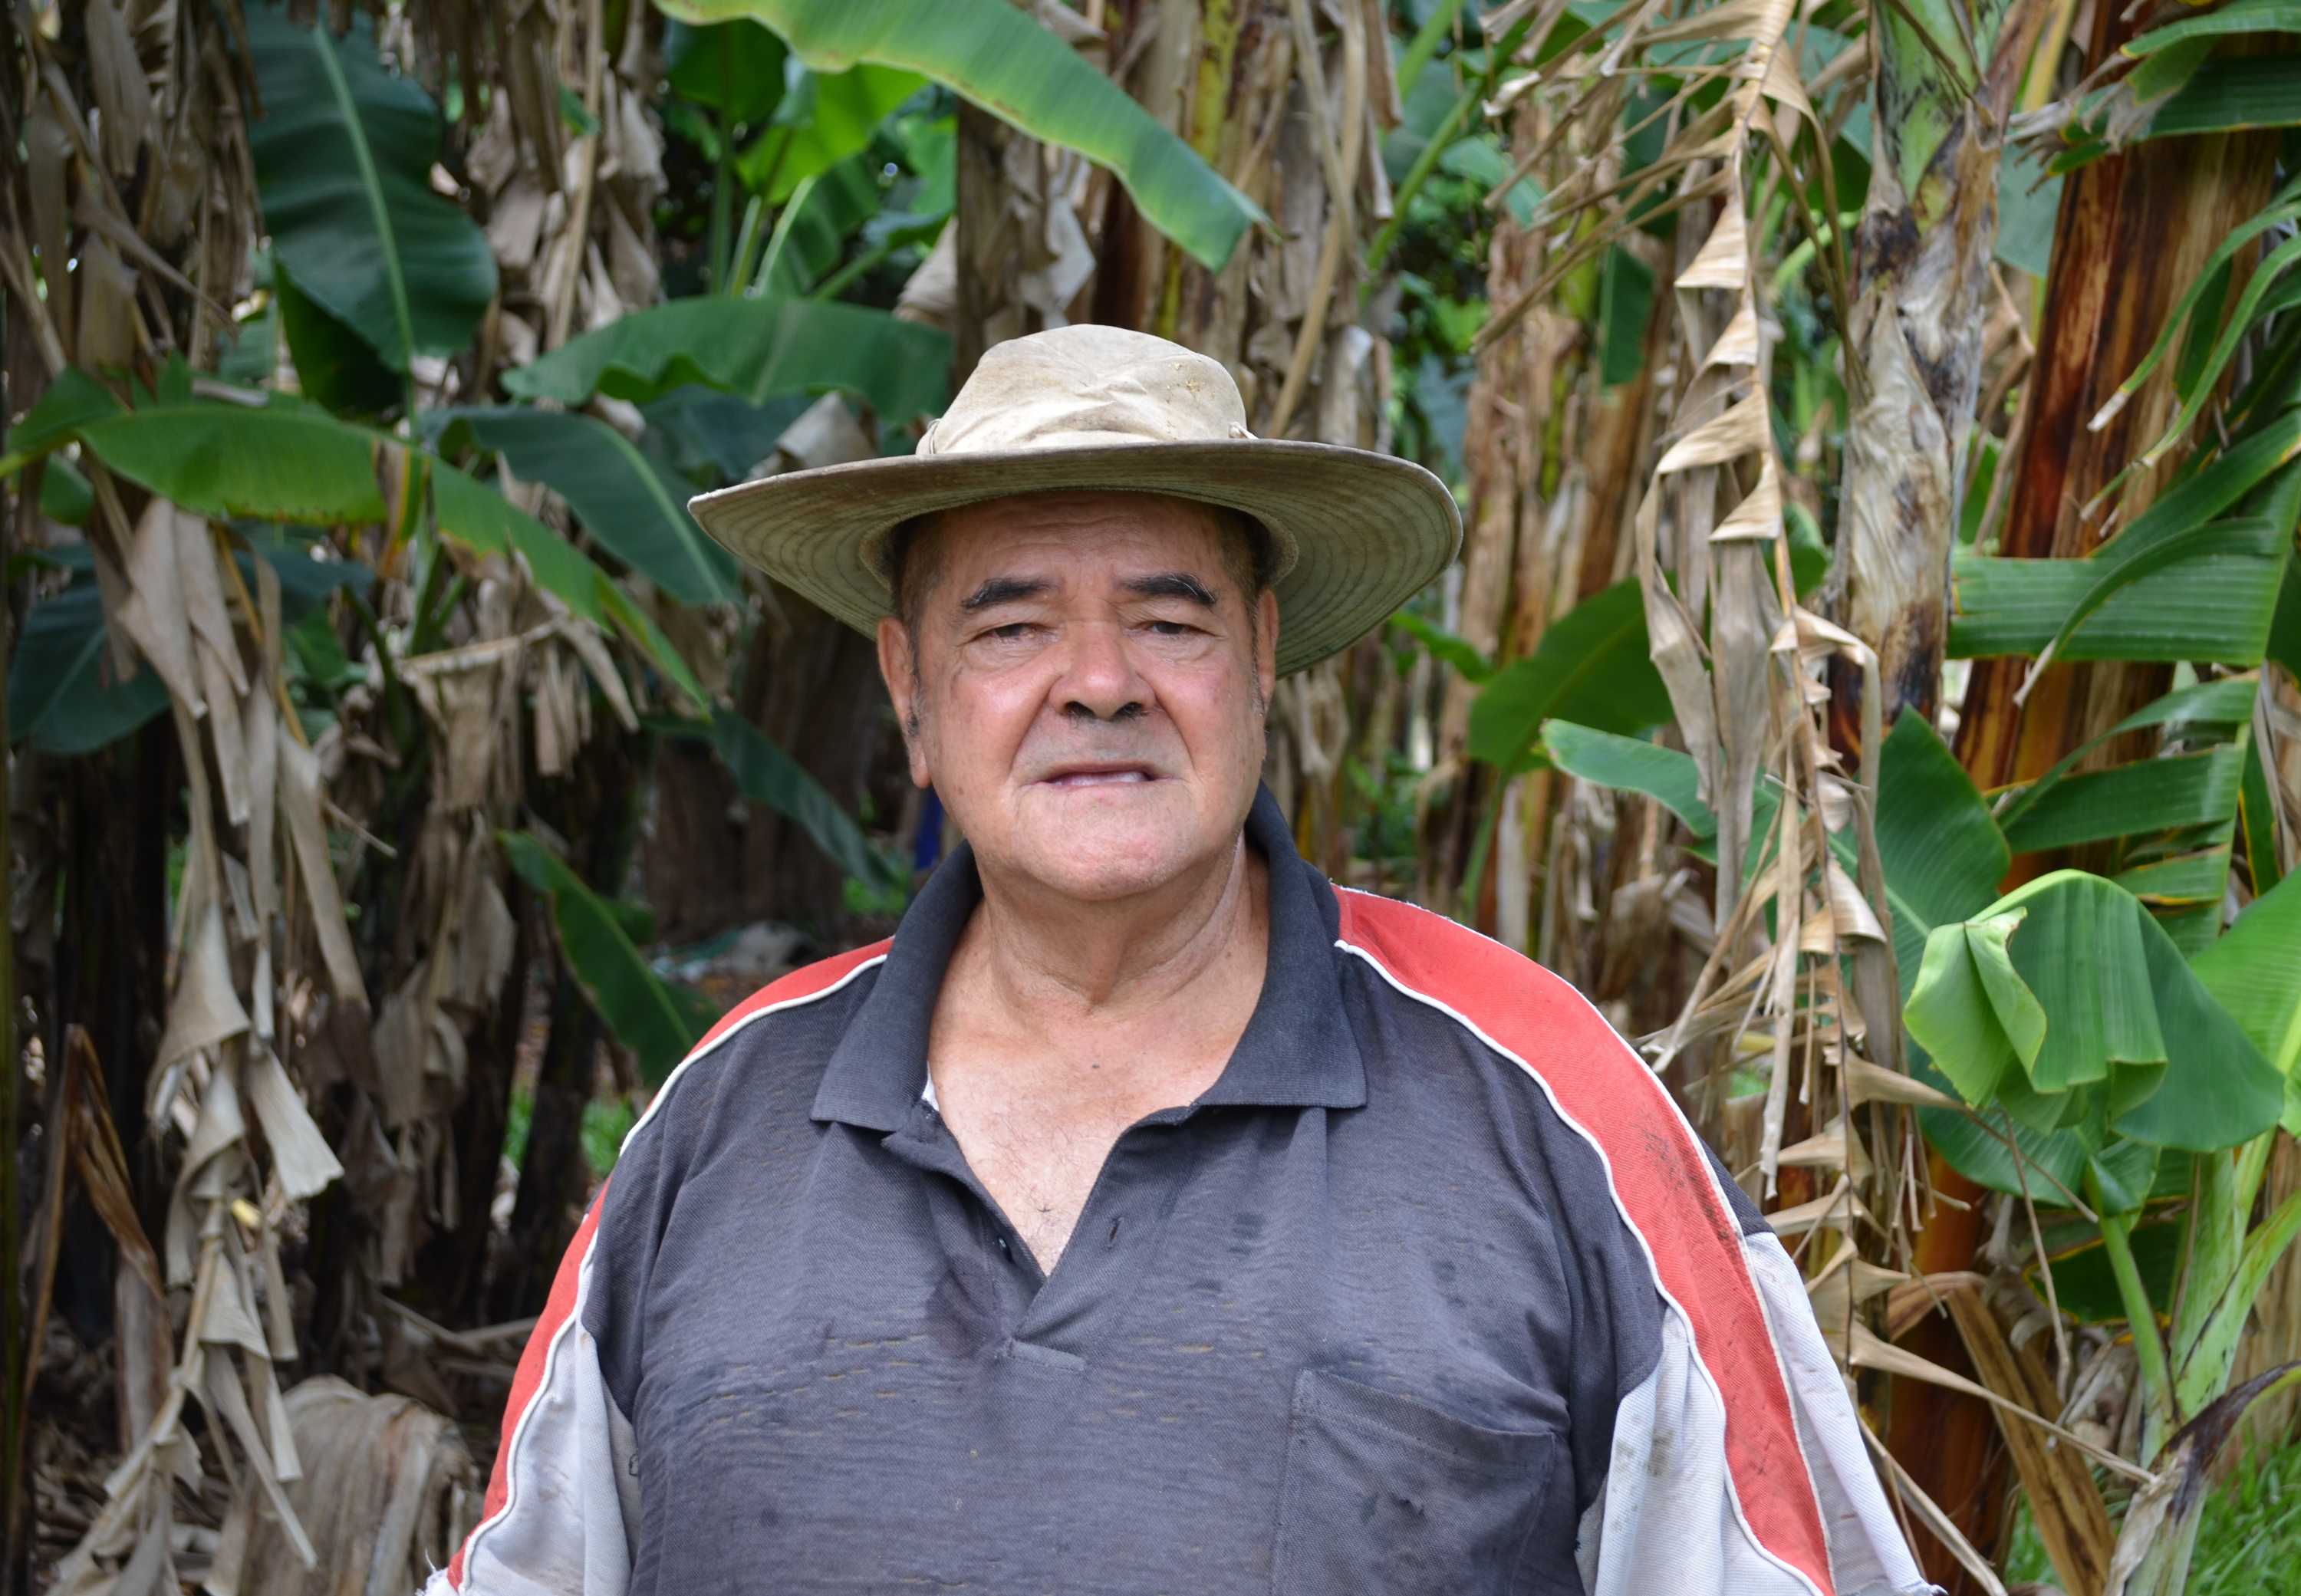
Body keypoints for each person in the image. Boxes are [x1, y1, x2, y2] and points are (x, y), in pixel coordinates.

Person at [426, 326, 1933, 1596]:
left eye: (1169, 619)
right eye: (1012, 628)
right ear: (910, 683)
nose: (1098, 685)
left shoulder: (1553, 1109)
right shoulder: (723, 1122)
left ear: (1265, 653)